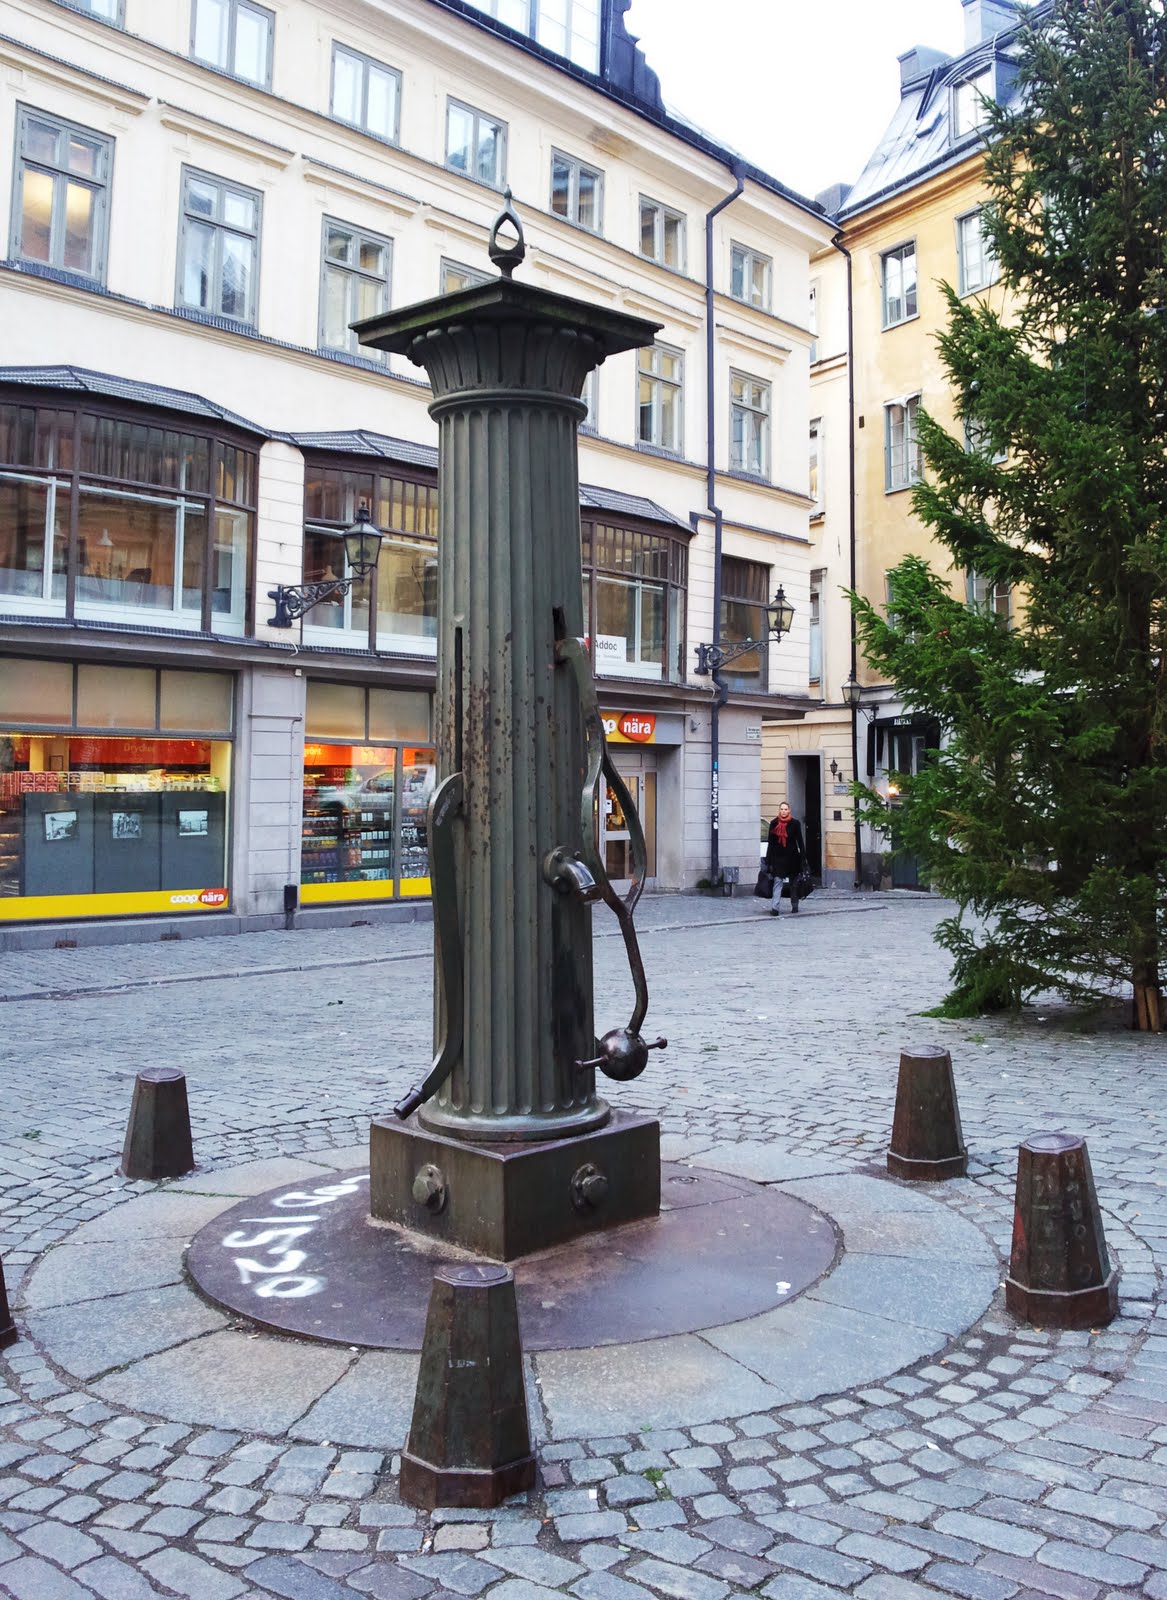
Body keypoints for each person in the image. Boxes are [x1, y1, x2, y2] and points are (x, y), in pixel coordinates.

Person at [765, 802, 807, 915]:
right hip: (778, 858)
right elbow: (771, 843)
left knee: (794, 884)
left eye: (786, 809)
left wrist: (803, 858)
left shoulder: (795, 823)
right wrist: (768, 860)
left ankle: (794, 905)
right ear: (779, 810)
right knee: (777, 882)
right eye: (782, 809)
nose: (783, 811)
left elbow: (800, 842)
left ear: (789, 811)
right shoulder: (774, 823)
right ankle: (775, 908)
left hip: (792, 858)